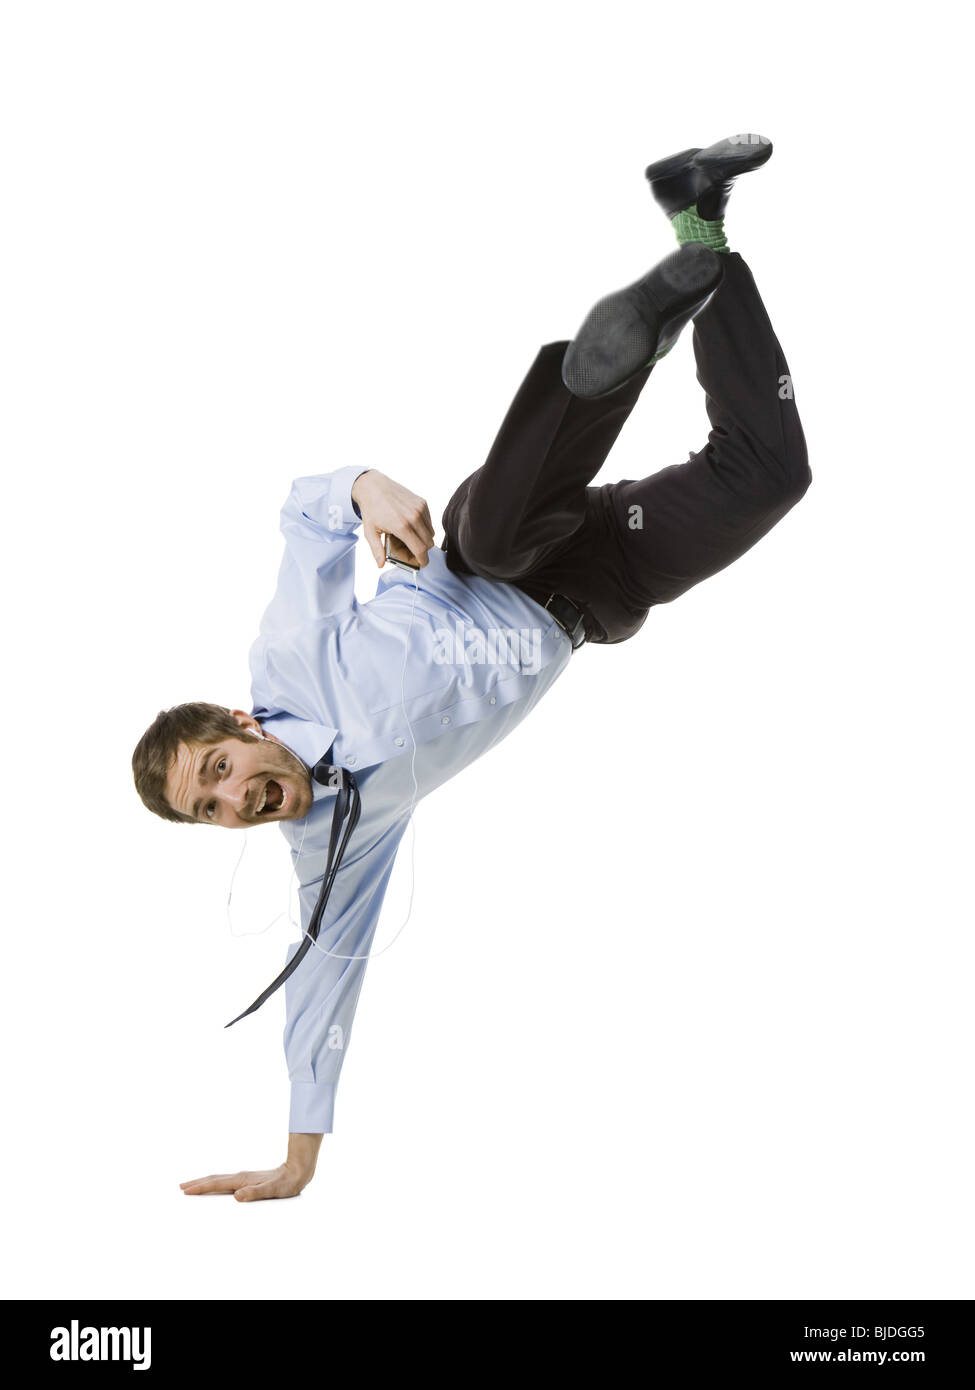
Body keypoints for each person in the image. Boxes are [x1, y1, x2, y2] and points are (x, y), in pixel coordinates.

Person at [132, 134, 811, 1202]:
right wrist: (297, 1157)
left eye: (216, 766)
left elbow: (301, 514)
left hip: (501, 538)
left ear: (235, 721)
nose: (235, 795)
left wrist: (363, 485)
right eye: (213, 809)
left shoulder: (288, 663)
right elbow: (325, 979)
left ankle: (605, 366)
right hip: (600, 589)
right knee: (770, 473)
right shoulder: (331, 844)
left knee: (492, 535)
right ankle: (697, 222)